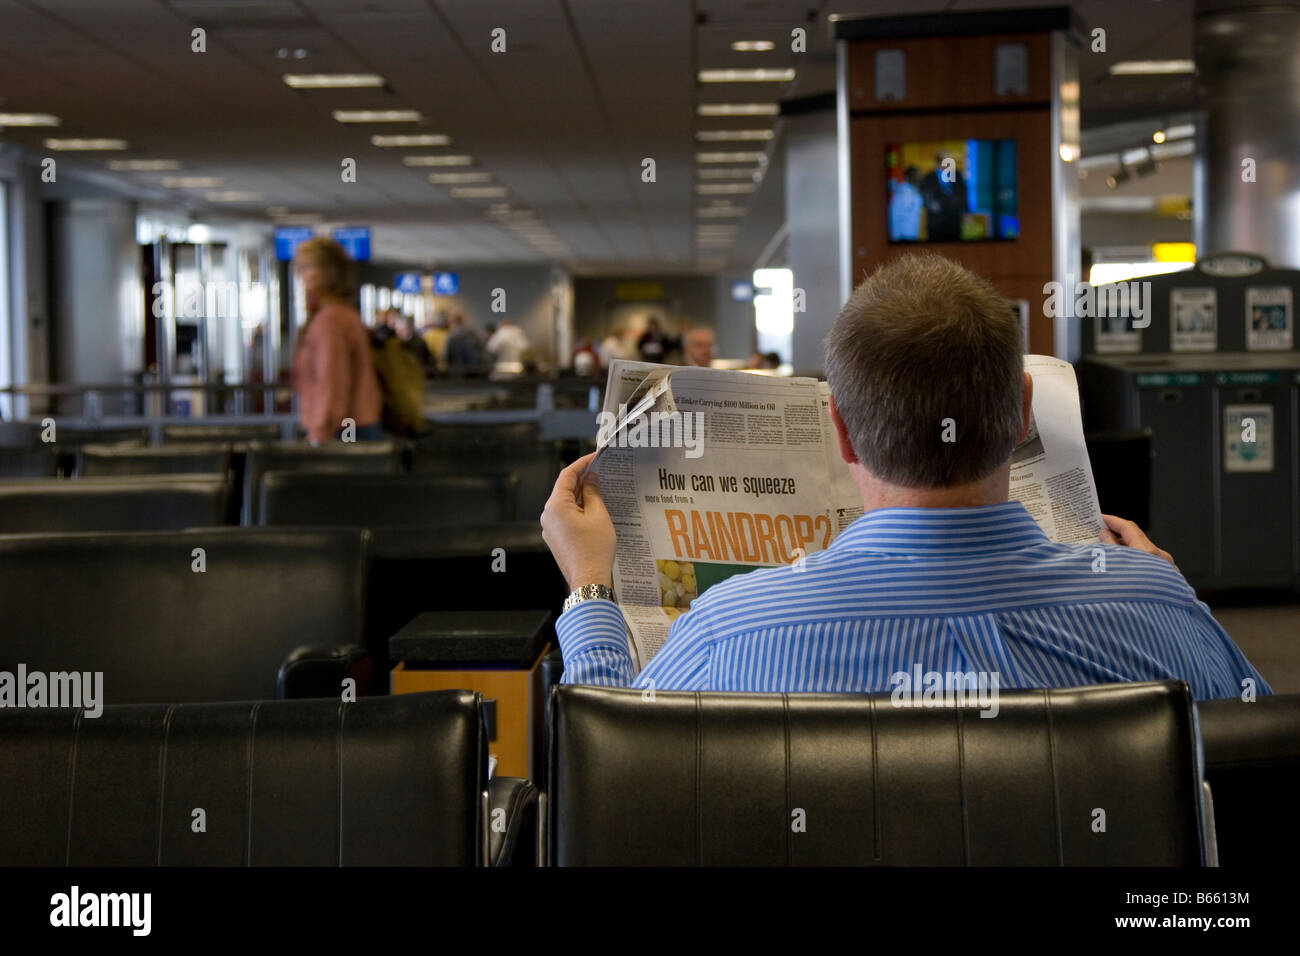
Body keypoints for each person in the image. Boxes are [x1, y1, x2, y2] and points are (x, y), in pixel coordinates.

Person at [540, 253, 1270, 700]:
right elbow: (1258, 768)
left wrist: (591, 591)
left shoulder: (729, 633)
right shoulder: (1155, 607)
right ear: (1023, 414)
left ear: (840, 433)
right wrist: (1175, 603)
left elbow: (607, 774)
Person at [290, 237, 383, 443]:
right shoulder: (343, 314)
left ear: (328, 274)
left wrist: (320, 436)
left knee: (343, 474)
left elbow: (332, 383)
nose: (300, 275)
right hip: (351, 425)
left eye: (307, 267)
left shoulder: (330, 320)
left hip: (346, 428)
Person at [918, 150, 968, 242]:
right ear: (939, 161)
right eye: (946, 158)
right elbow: (924, 195)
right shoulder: (929, 177)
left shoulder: (957, 175)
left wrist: (966, 212)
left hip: (954, 221)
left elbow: (963, 194)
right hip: (936, 222)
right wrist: (930, 205)